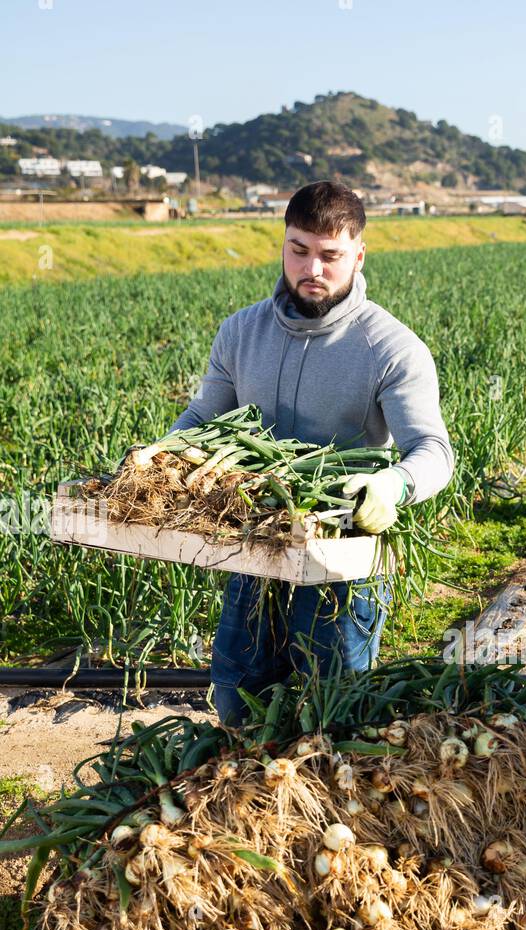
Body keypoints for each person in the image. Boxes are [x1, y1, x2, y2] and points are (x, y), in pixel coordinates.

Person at [169, 180, 454, 725]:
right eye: (299, 250)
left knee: (335, 712)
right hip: (255, 545)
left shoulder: (391, 347)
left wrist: (392, 485)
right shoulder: (240, 332)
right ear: (283, 243)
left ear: (359, 255)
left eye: (330, 255)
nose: (313, 269)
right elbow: (203, 418)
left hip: (340, 557)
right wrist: (160, 453)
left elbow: (433, 450)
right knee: (236, 697)